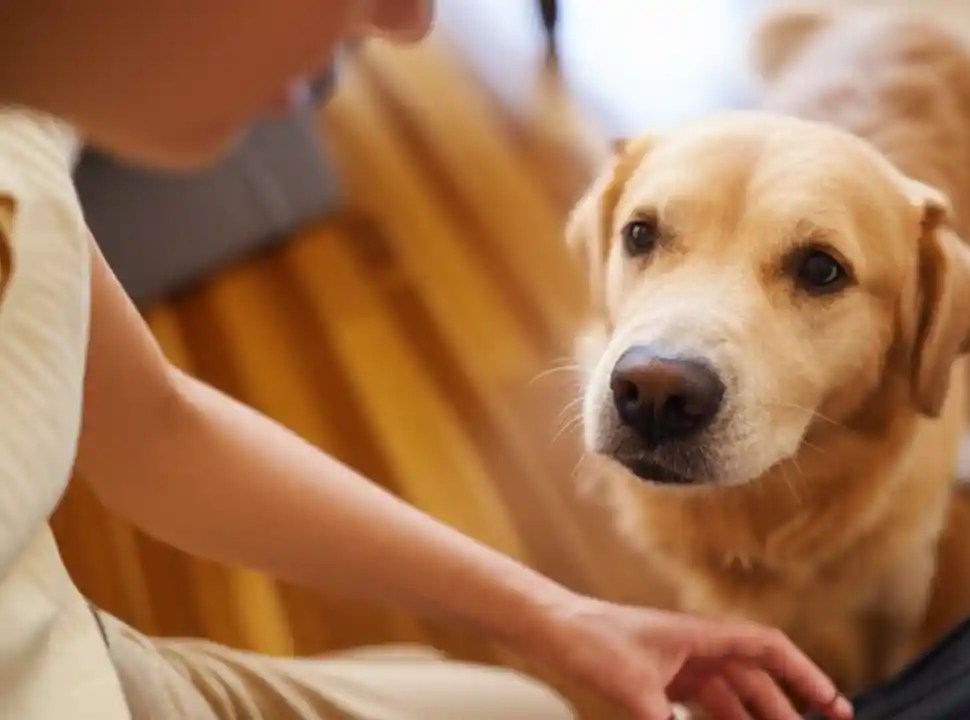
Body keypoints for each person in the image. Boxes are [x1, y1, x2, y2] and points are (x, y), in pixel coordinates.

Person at [0, 1, 855, 719]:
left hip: (108, 666)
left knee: (523, 707)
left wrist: (553, 618)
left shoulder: (21, 135)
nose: (409, 22)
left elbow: (153, 427)